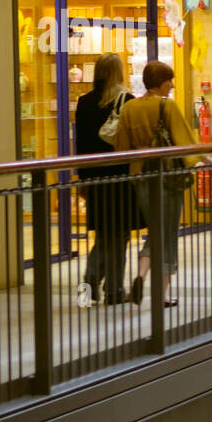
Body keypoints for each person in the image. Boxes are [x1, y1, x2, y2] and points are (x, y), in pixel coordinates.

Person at [114, 60, 205, 308]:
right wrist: (208, 162)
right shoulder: (167, 105)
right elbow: (186, 144)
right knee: (168, 235)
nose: (172, 86)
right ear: (161, 83)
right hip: (167, 178)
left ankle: (140, 276)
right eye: (169, 81)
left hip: (140, 177)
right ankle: (160, 295)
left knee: (156, 229)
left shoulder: (130, 107)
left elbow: (121, 146)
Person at [74, 53, 136, 305]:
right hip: (120, 176)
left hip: (94, 176)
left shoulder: (85, 102)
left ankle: (91, 285)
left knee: (103, 233)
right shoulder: (127, 101)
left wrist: (82, 178)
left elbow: (81, 143)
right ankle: (112, 289)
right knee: (119, 234)